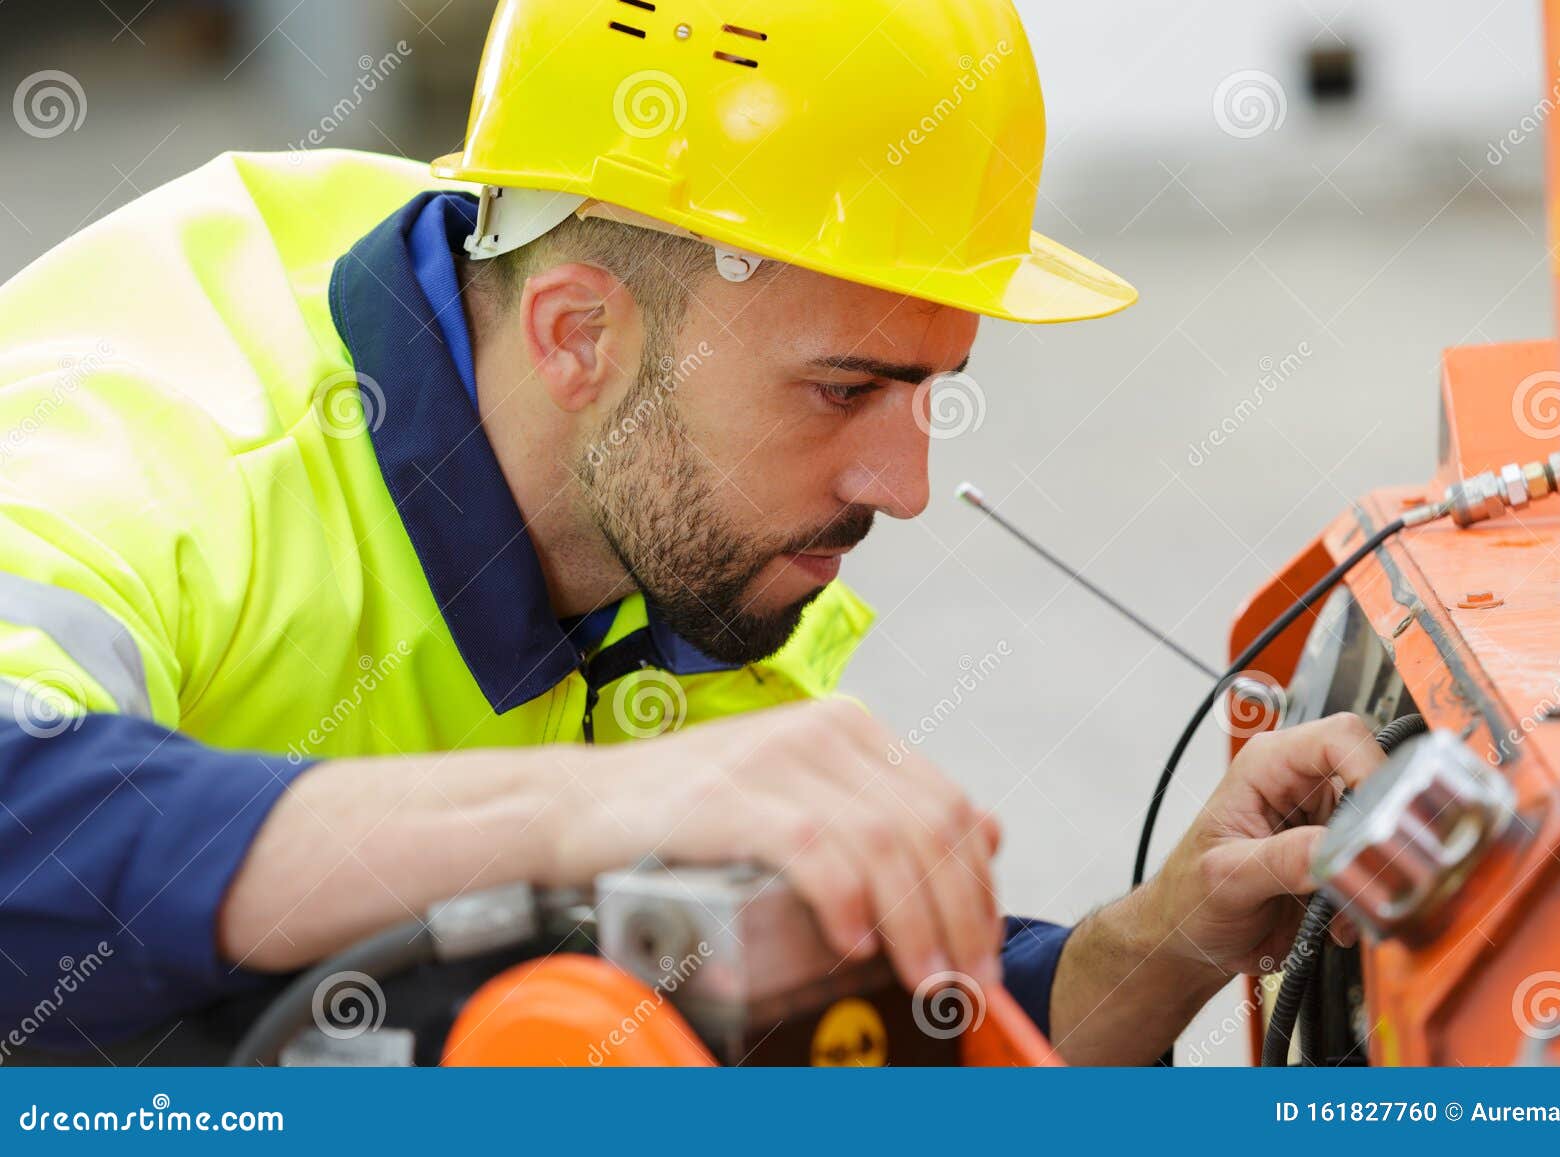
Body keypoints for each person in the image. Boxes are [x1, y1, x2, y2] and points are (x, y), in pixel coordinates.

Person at [0, 0, 1381, 1064]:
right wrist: (593, 813)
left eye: (929, 390)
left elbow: (799, 1050)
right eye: (846, 388)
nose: (903, 482)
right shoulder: (164, 433)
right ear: (578, 334)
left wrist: (1161, 937)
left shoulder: (689, 535)